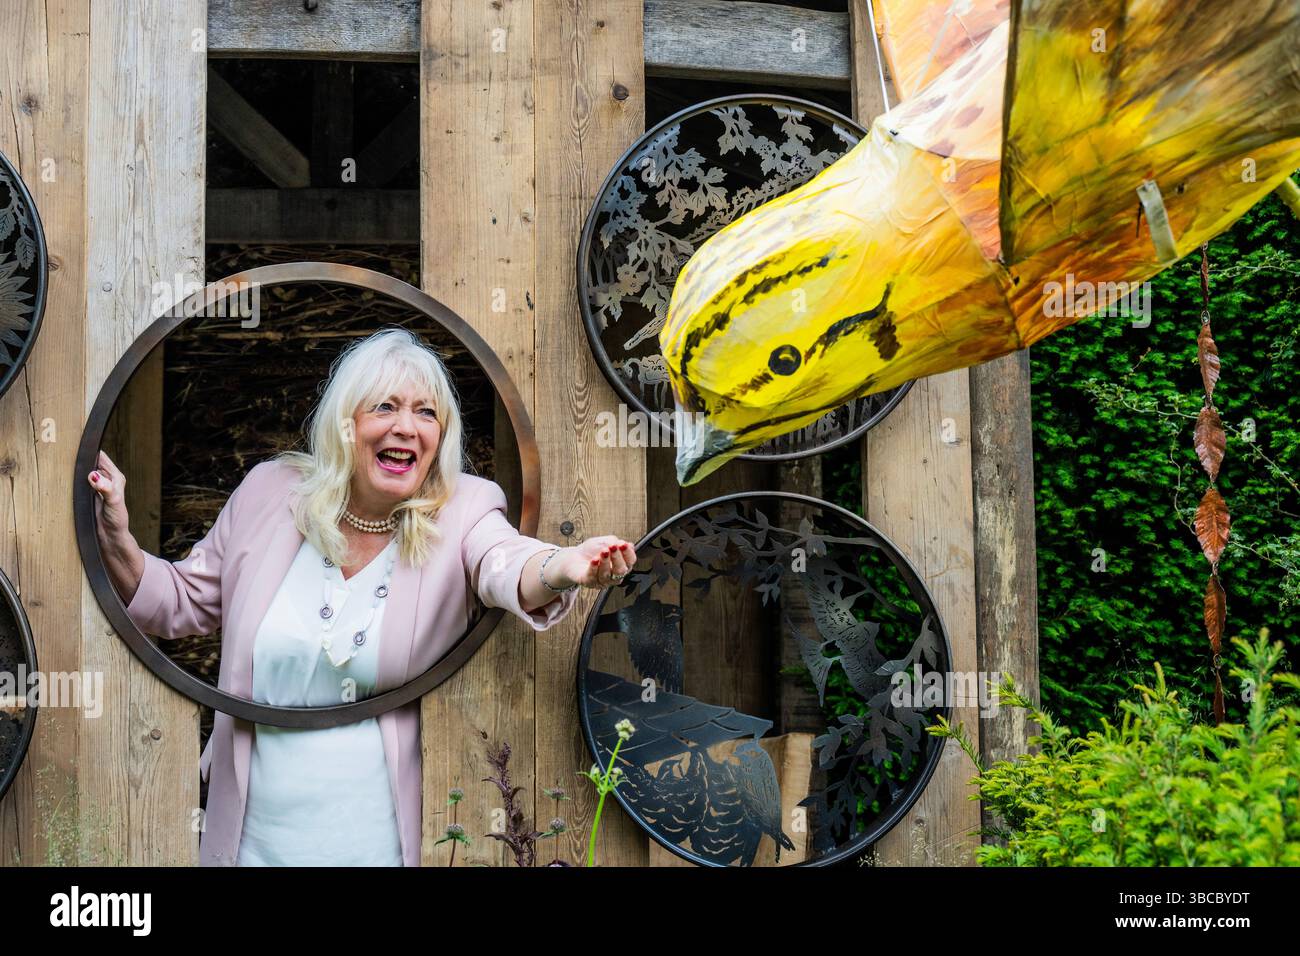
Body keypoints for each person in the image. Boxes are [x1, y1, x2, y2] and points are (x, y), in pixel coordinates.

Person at [89, 327, 636, 866]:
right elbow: (182, 600)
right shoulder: (270, 492)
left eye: (426, 413)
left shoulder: (465, 509)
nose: (406, 427)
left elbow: (506, 563)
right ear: (345, 425)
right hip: (249, 839)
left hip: (375, 840)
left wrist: (564, 566)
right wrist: (116, 535)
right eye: (385, 407)